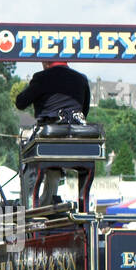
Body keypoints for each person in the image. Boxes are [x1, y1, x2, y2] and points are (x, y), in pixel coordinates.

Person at [15, 60, 91, 207]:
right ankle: (53, 199)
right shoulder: (81, 79)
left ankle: (26, 205)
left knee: (30, 161)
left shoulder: (42, 77)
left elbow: (20, 102)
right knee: (53, 165)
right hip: (77, 136)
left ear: (45, 62)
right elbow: (84, 111)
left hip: (49, 134)